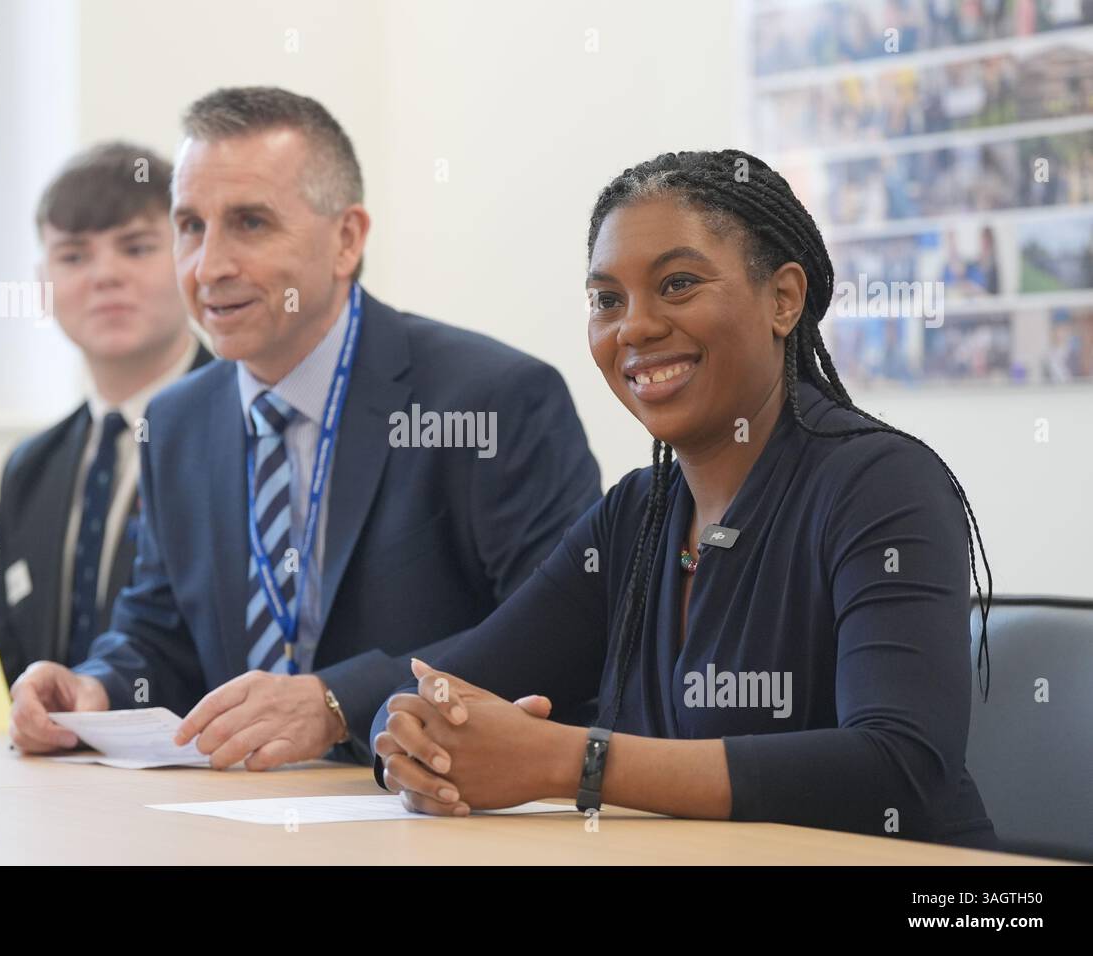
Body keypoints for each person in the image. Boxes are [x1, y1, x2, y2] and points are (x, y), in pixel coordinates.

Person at [372, 149, 998, 849]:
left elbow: (900, 771)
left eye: (677, 284)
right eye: (608, 300)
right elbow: (436, 690)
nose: (634, 327)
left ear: (783, 299)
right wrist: (414, 744)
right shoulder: (636, 514)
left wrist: (568, 762)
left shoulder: (883, 483)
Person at [6, 87, 601, 768]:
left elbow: (557, 634)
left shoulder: (492, 398)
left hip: (422, 804)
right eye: (191, 227)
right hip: (241, 807)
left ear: (346, 240)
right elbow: (160, 631)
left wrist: (336, 702)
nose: (209, 266)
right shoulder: (177, 419)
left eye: (251, 224)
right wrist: (96, 686)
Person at [0, 142, 214, 687]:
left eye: (135, 248)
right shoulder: (30, 468)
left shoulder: (246, 433)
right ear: (44, 284)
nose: (104, 275)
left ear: (190, 258)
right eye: (74, 256)